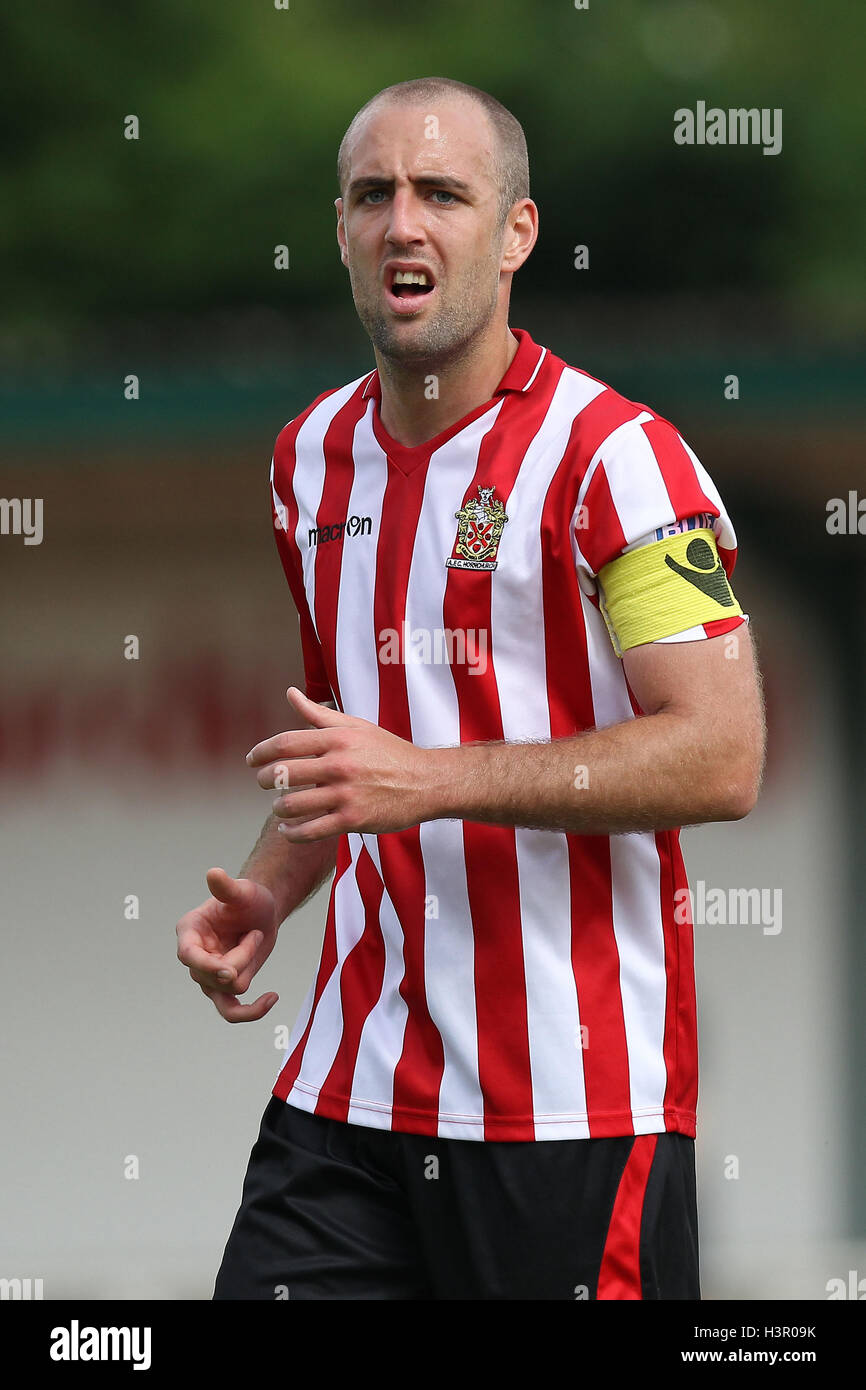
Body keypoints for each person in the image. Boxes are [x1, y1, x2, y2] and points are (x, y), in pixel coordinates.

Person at [176, 76, 765, 1301]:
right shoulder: (308, 458)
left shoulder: (618, 460)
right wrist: (271, 890)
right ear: (338, 229)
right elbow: (363, 749)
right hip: (349, 1086)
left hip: (567, 1103)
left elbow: (720, 755)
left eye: (442, 193)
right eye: (373, 194)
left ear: (513, 235)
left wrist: (434, 783)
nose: (404, 223)